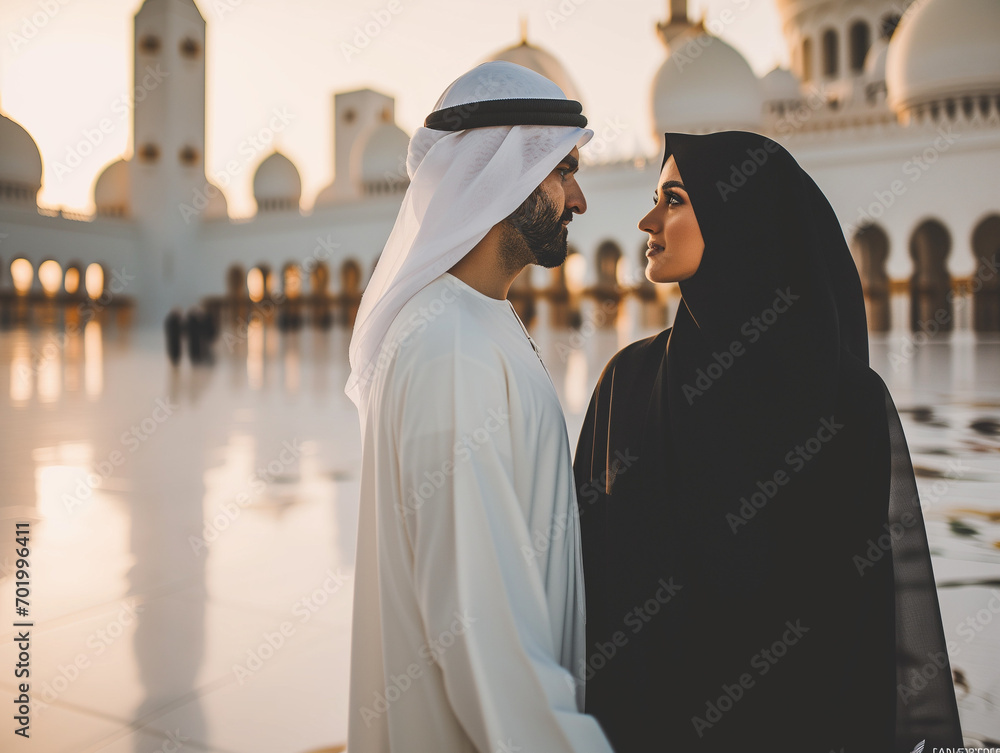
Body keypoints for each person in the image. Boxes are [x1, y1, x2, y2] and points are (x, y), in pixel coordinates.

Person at [574, 131, 963, 753]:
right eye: (655, 199)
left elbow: (859, 626)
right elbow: (587, 582)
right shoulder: (628, 383)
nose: (648, 222)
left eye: (674, 200)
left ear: (740, 215)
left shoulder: (846, 404)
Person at [345, 61, 614, 753]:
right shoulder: (449, 345)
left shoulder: (475, 318)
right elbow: (480, 634)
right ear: (504, 173)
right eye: (563, 170)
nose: (578, 199)